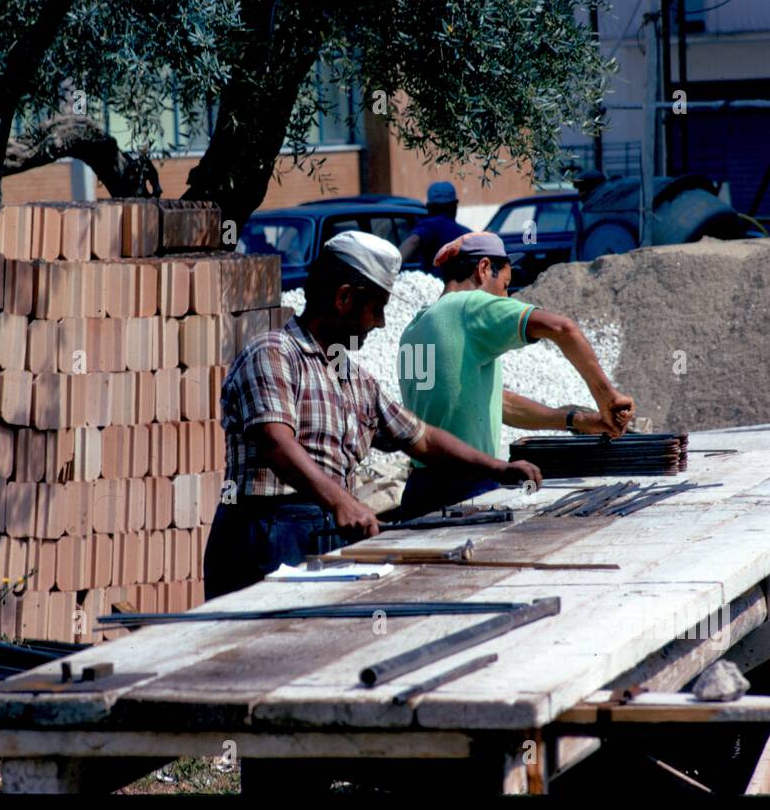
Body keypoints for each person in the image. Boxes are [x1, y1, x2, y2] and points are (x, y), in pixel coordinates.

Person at [203, 231, 542, 599]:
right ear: (344, 298)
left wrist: (497, 469)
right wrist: (342, 502)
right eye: (376, 308)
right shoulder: (273, 353)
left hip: (325, 531)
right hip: (266, 534)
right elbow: (276, 443)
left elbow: (421, 437)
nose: (380, 323)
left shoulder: (354, 379)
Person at [397, 231, 635, 519]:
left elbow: (496, 404)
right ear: (483, 269)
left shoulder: (415, 328)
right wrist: (607, 398)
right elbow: (562, 328)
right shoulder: (470, 306)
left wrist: (575, 420)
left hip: (420, 490)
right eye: (505, 285)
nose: (506, 297)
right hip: (464, 487)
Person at [398, 181, 471, 270]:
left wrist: (391, 268)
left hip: (433, 282)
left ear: (429, 207)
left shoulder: (431, 225)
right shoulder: (466, 233)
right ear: (455, 206)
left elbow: (413, 241)